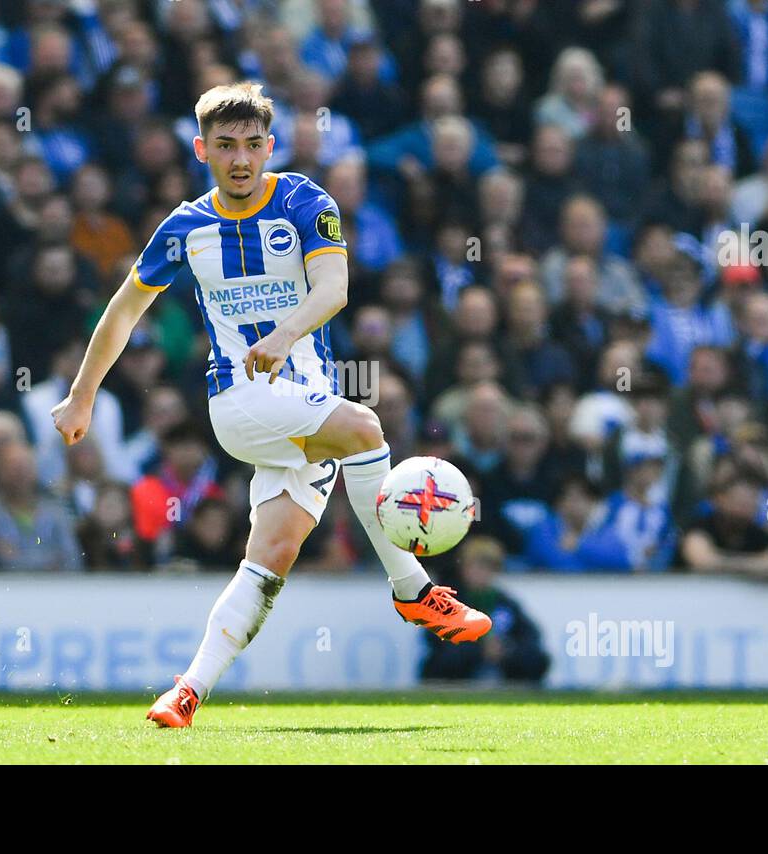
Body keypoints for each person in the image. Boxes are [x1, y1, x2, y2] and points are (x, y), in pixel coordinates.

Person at [51, 83, 491, 727]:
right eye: (225, 146)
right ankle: (413, 590)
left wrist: (287, 335)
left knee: (270, 560)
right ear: (202, 150)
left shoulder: (304, 201)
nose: (240, 160)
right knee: (367, 429)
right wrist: (81, 395)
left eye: (252, 145)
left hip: (306, 402)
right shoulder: (186, 227)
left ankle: (186, 692)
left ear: (269, 147)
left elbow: (335, 286)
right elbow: (123, 311)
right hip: (239, 401)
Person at [419, 537, 550, 684]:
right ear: (464, 568)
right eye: (478, 567)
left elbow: (530, 636)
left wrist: (506, 649)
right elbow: (437, 644)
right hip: (461, 671)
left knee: (536, 658)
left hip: (501, 665)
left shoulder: (503, 602)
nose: (483, 574)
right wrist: (480, 650)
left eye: (489, 568)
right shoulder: (447, 602)